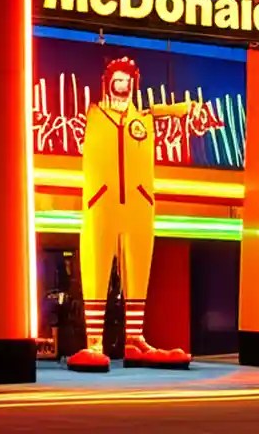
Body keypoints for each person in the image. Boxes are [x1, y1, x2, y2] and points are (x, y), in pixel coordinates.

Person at [67, 57, 196, 371]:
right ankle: (94, 341)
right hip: (101, 202)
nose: (123, 86)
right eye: (118, 80)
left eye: (127, 81)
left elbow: (164, 111)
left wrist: (184, 109)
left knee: (138, 268)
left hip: (139, 203)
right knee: (96, 265)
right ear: (108, 83)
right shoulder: (94, 115)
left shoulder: (143, 119)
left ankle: (135, 339)